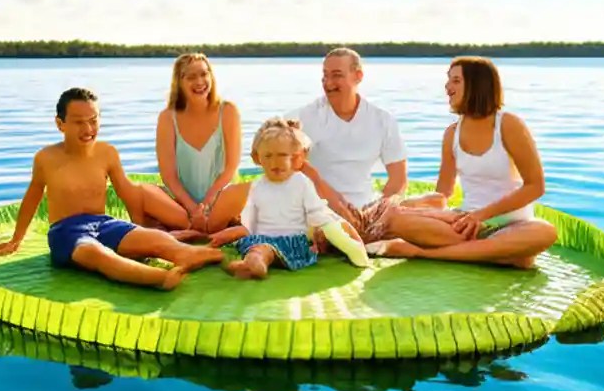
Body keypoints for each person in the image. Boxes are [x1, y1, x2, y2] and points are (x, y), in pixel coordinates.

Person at [0, 87, 223, 289]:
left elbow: (127, 192)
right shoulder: (46, 158)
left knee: (156, 239)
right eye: (78, 123)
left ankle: (186, 255)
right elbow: (33, 197)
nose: (88, 129)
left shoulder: (107, 153)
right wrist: (16, 240)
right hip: (67, 233)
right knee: (99, 255)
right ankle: (156, 278)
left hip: (104, 224)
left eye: (93, 120)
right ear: (60, 124)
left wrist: (139, 228)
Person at [370, 57, 558, 268]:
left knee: (545, 232)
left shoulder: (508, 124)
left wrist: (481, 215)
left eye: (456, 80)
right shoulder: (452, 134)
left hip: (513, 225)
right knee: (394, 217)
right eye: (448, 80)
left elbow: (535, 186)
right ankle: (501, 254)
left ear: (478, 85)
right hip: (463, 228)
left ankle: (420, 252)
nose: (447, 87)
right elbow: (443, 193)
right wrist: (413, 206)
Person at [209, 118, 369, 279]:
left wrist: (355, 249)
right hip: (265, 239)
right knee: (260, 249)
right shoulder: (256, 188)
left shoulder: (302, 183)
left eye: (282, 155)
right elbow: (249, 220)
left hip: (292, 242)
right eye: (269, 155)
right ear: (260, 157)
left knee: (265, 248)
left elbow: (329, 221)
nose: (275, 162)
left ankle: (255, 261)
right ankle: (254, 262)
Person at [286, 47, 408, 242]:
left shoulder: (382, 120)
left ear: (358, 76)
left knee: (428, 212)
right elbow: (282, 163)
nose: (328, 83)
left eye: (337, 75)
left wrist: (379, 211)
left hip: (366, 210)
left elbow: (398, 179)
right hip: (316, 210)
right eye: (325, 76)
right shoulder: (303, 118)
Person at [152, 52, 248, 234]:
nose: (199, 82)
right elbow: (169, 176)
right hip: (181, 206)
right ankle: (191, 228)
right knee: (142, 192)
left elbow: (231, 168)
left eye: (204, 74)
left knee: (254, 188)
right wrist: (192, 208)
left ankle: (190, 229)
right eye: (191, 77)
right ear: (179, 82)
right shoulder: (167, 118)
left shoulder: (228, 111)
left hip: (221, 202)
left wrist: (206, 204)